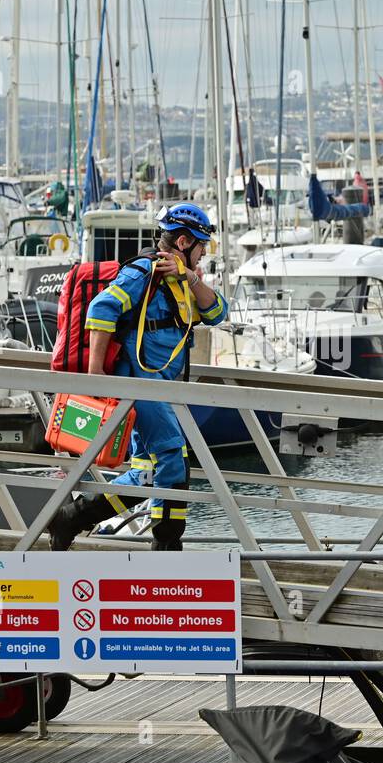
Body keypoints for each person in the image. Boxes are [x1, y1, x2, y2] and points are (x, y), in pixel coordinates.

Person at [47, 202, 228, 551]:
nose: (204, 252)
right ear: (183, 242)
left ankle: (73, 517)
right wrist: (96, 376)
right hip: (140, 385)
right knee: (174, 458)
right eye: (201, 244)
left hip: (162, 386)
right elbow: (102, 308)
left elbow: (217, 312)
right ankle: (167, 549)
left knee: (147, 471)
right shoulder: (144, 271)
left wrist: (187, 276)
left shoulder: (183, 278)